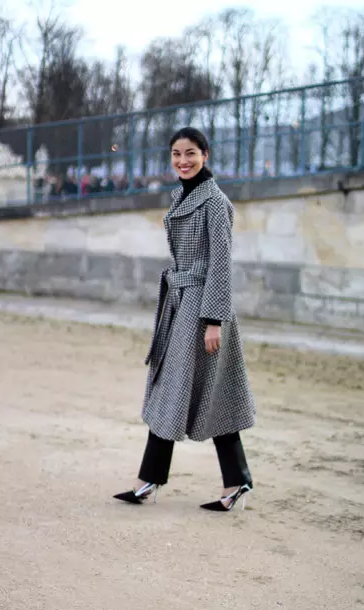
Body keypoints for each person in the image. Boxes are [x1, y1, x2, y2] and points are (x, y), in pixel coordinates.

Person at [113, 127, 256, 512]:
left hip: (202, 308)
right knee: (191, 393)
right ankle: (223, 482)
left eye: (190, 153)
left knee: (202, 394)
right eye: (176, 154)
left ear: (205, 155)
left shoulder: (215, 202)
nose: (183, 161)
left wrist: (214, 320)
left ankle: (153, 482)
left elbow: (221, 264)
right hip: (182, 303)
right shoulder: (181, 196)